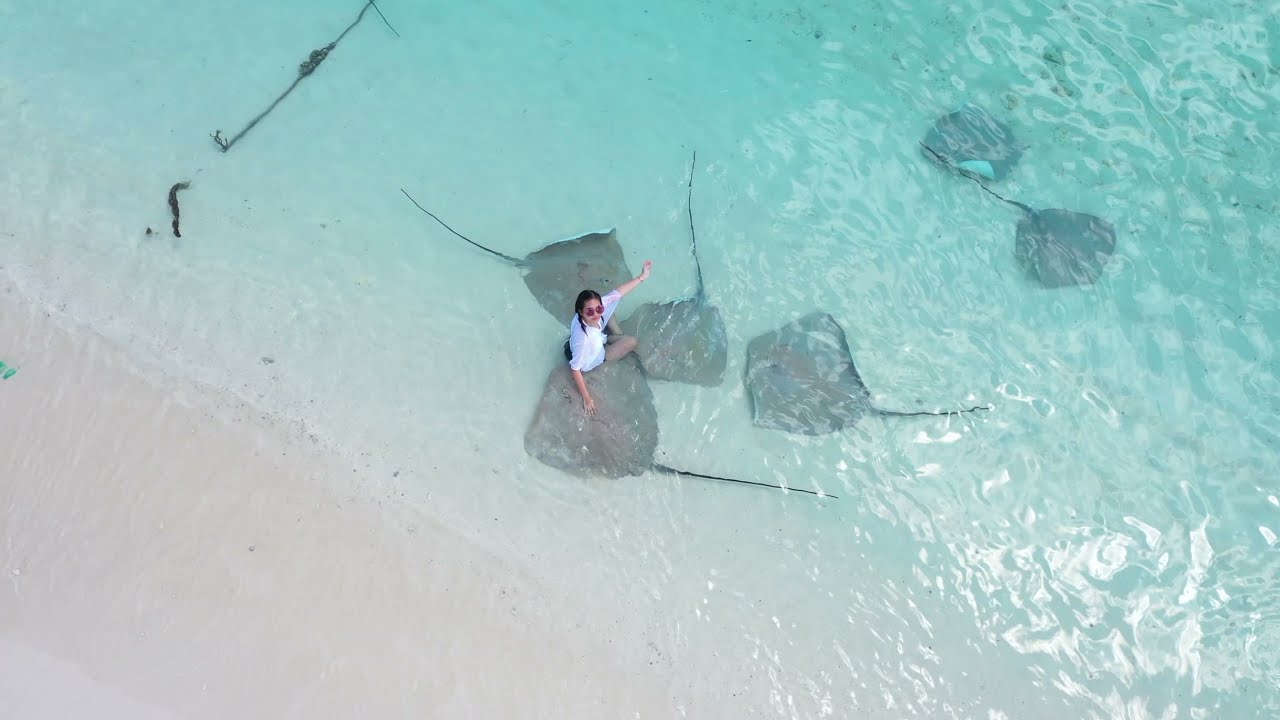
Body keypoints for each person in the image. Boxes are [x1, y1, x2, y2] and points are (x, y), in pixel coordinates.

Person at [564, 260, 652, 414]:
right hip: (593, 357)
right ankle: (615, 338)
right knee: (632, 342)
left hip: (597, 339)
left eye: (598, 308)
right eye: (590, 311)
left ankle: (612, 338)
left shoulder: (592, 313)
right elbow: (575, 369)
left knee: (610, 310)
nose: (596, 313)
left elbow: (618, 293)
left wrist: (642, 277)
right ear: (580, 311)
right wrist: (587, 397)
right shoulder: (582, 339)